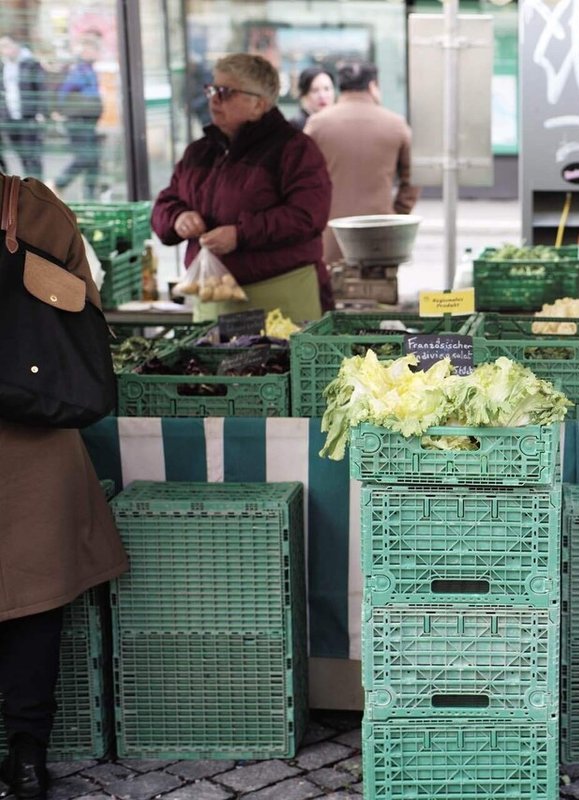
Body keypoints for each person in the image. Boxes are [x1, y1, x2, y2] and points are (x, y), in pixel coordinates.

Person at [0, 174, 128, 800]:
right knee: (32, 602)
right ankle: (27, 757)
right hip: (34, 437)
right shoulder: (34, 207)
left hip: (30, 444)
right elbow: (84, 305)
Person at [152, 53, 332, 321]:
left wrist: (240, 234)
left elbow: (307, 216)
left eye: (225, 92)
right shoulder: (199, 153)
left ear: (259, 104)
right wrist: (178, 218)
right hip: (213, 300)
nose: (214, 99)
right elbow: (164, 204)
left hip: (281, 300)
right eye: (212, 89)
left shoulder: (295, 149)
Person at [303, 60, 417, 264]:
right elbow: (413, 178)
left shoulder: (317, 125)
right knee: (378, 283)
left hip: (328, 236)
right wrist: (396, 213)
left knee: (330, 282)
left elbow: (296, 178)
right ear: (373, 86)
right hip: (380, 235)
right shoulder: (396, 125)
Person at [50, 33, 104, 200]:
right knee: (85, 157)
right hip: (78, 122)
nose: (96, 54)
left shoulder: (88, 69)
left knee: (93, 161)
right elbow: (65, 92)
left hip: (87, 122)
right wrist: (61, 110)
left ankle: (90, 197)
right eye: (93, 50)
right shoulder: (78, 70)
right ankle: (58, 184)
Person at [0, 36, 45, 180]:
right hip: (10, 118)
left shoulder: (31, 64)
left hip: (28, 117)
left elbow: (41, 88)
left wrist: (41, 112)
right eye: (2, 47)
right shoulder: (3, 66)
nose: (4, 50)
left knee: (32, 155)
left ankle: (37, 186)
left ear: (16, 45)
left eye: (7, 45)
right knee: (22, 154)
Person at [288, 66, 334, 131]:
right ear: (304, 95)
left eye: (327, 89)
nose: (322, 96)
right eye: (315, 90)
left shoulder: (338, 123)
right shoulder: (294, 126)